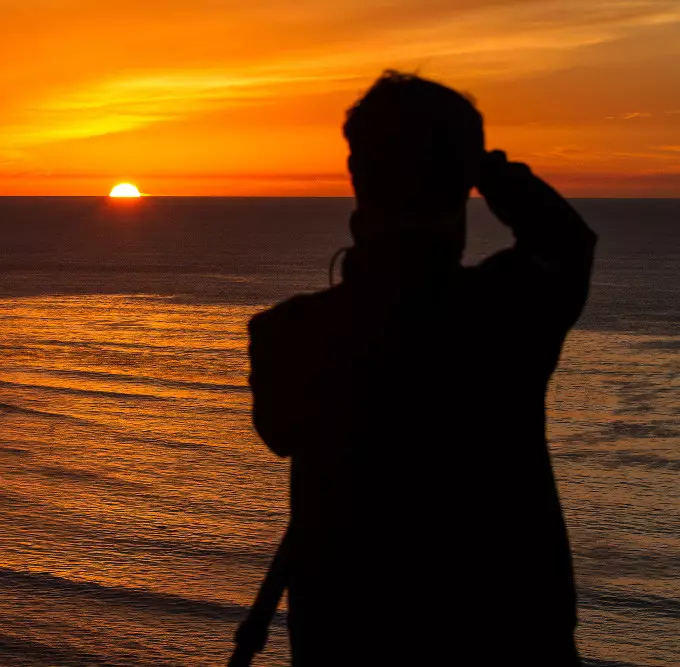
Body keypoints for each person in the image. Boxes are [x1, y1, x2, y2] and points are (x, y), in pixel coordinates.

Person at [247, 71, 597, 666]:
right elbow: (569, 242)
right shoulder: (507, 311)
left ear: (357, 175)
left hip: (353, 644)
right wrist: (492, 172)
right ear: (462, 180)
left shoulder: (289, 335)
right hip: (512, 640)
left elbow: (280, 429)